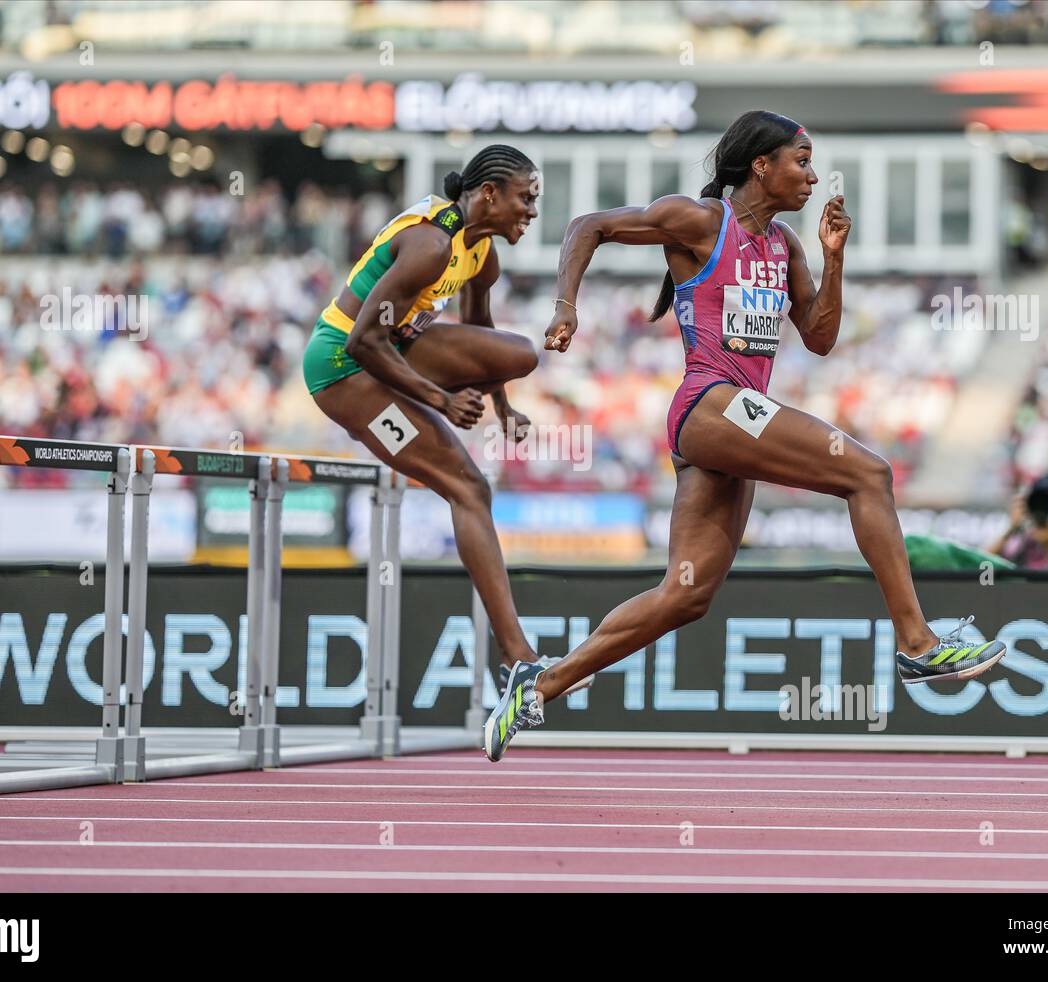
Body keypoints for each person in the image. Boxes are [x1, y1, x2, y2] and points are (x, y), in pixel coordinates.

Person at [486, 111, 1006, 761]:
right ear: (761, 166)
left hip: (735, 424)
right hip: (711, 404)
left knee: (685, 595)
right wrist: (567, 305)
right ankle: (918, 644)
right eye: (802, 161)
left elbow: (819, 338)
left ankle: (541, 682)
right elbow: (586, 226)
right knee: (867, 473)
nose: (814, 175)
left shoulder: (785, 245)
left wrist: (834, 258)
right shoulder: (701, 221)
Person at [304, 145, 589, 690]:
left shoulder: (479, 253)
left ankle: (517, 657)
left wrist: (503, 408)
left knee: (519, 354)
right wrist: (440, 400)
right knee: (468, 489)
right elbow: (364, 340)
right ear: (489, 193)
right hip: (343, 367)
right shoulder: (431, 244)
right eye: (526, 199)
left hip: (393, 353)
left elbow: (480, 340)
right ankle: (518, 659)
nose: (531, 211)